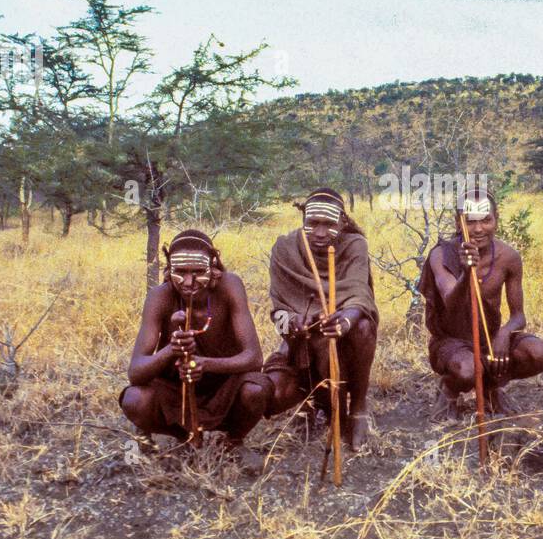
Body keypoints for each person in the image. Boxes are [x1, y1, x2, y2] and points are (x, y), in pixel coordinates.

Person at [120, 230, 274, 462]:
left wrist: (205, 364)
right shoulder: (159, 297)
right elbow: (136, 373)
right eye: (180, 273)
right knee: (135, 399)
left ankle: (233, 441)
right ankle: (182, 436)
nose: (189, 282)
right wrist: (171, 350)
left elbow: (254, 358)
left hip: (224, 386)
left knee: (256, 390)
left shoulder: (230, 286)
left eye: (198, 272)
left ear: (213, 269)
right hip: (176, 389)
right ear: (169, 270)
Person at [418, 187, 543, 420]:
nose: (479, 229)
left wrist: (504, 333)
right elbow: (451, 301)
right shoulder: (441, 255)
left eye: (486, 220)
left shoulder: (508, 257)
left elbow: (519, 316)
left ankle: (492, 386)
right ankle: (450, 387)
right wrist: (466, 273)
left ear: (496, 220)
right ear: (459, 222)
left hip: (490, 340)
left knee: (541, 352)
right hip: (452, 343)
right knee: (468, 369)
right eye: (470, 222)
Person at [263, 188, 379, 449]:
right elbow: (278, 310)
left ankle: (357, 407)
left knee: (362, 327)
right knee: (272, 394)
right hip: (299, 342)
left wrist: (344, 321)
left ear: (343, 222)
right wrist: (293, 321)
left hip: (342, 336)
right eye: (312, 223)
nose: (320, 233)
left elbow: (359, 295)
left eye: (329, 225)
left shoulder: (353, 245)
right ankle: (315, 403)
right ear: (303, 220)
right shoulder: (285, 248)